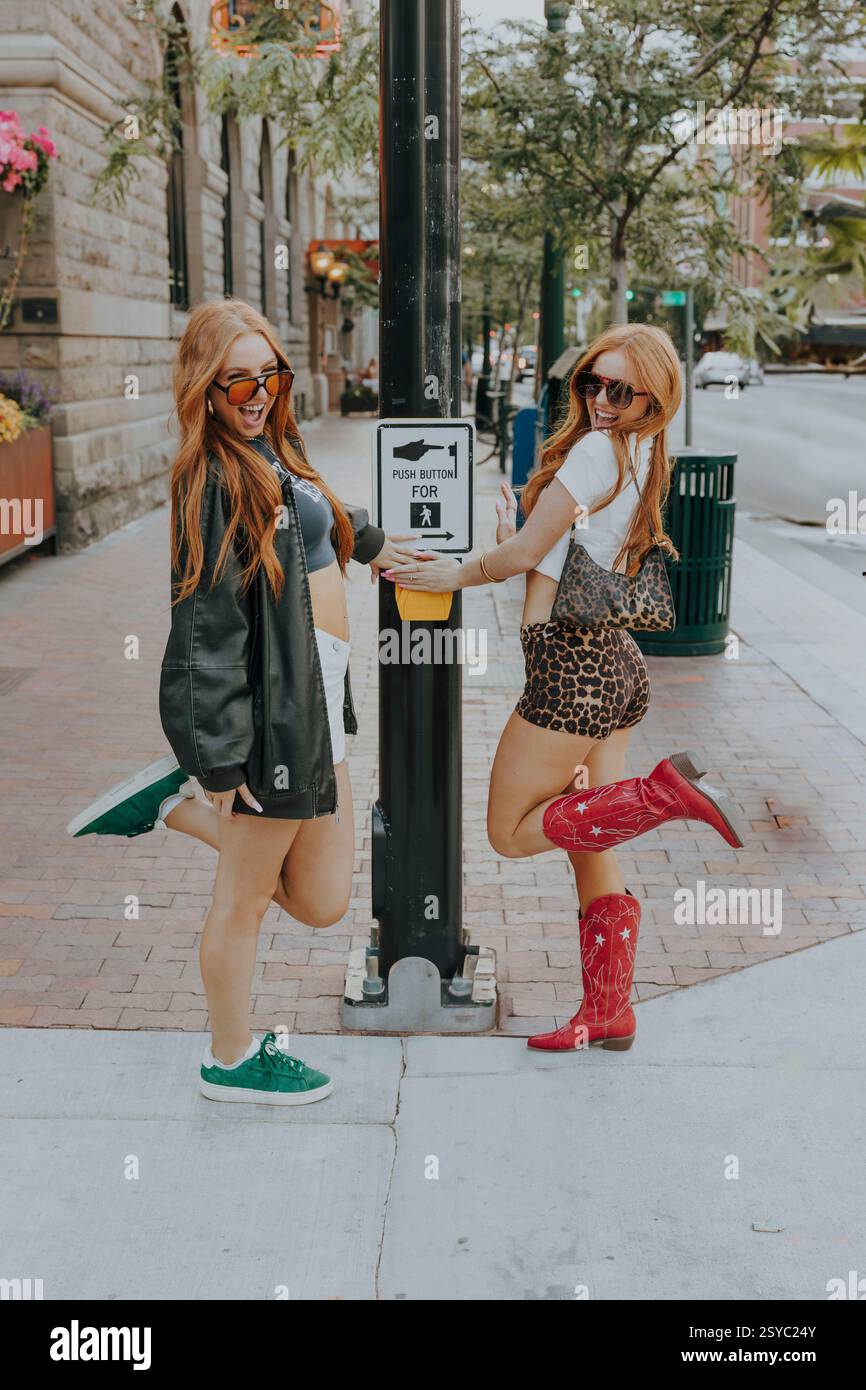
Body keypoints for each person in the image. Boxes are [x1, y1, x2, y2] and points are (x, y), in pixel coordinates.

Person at [67, 299, 420, 1103]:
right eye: (238, 381)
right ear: (205, 386)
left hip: (319, 699)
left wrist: (371, 542)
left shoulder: (274, 446)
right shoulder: (211, 479)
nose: (258, 392)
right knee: (247, 899)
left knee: (326, 902)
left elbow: (316, 514)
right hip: (270, 721)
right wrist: (220, 756)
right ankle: (229, 1057)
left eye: (270, 374)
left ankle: (172, 808)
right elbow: (206, 633)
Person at [381, 323, 746, 1054]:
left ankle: (662, 794)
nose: (601, 400)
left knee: (509, 833)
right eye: (591, 383)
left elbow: (521, 557)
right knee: (590, 841)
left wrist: (448, 573)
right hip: (616, 667)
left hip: (570, 671)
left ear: (654, 396)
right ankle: (609, 1012)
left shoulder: (593, 449)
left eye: (619, 389)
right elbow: (568, 546)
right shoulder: (643, 454)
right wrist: (522, 526)